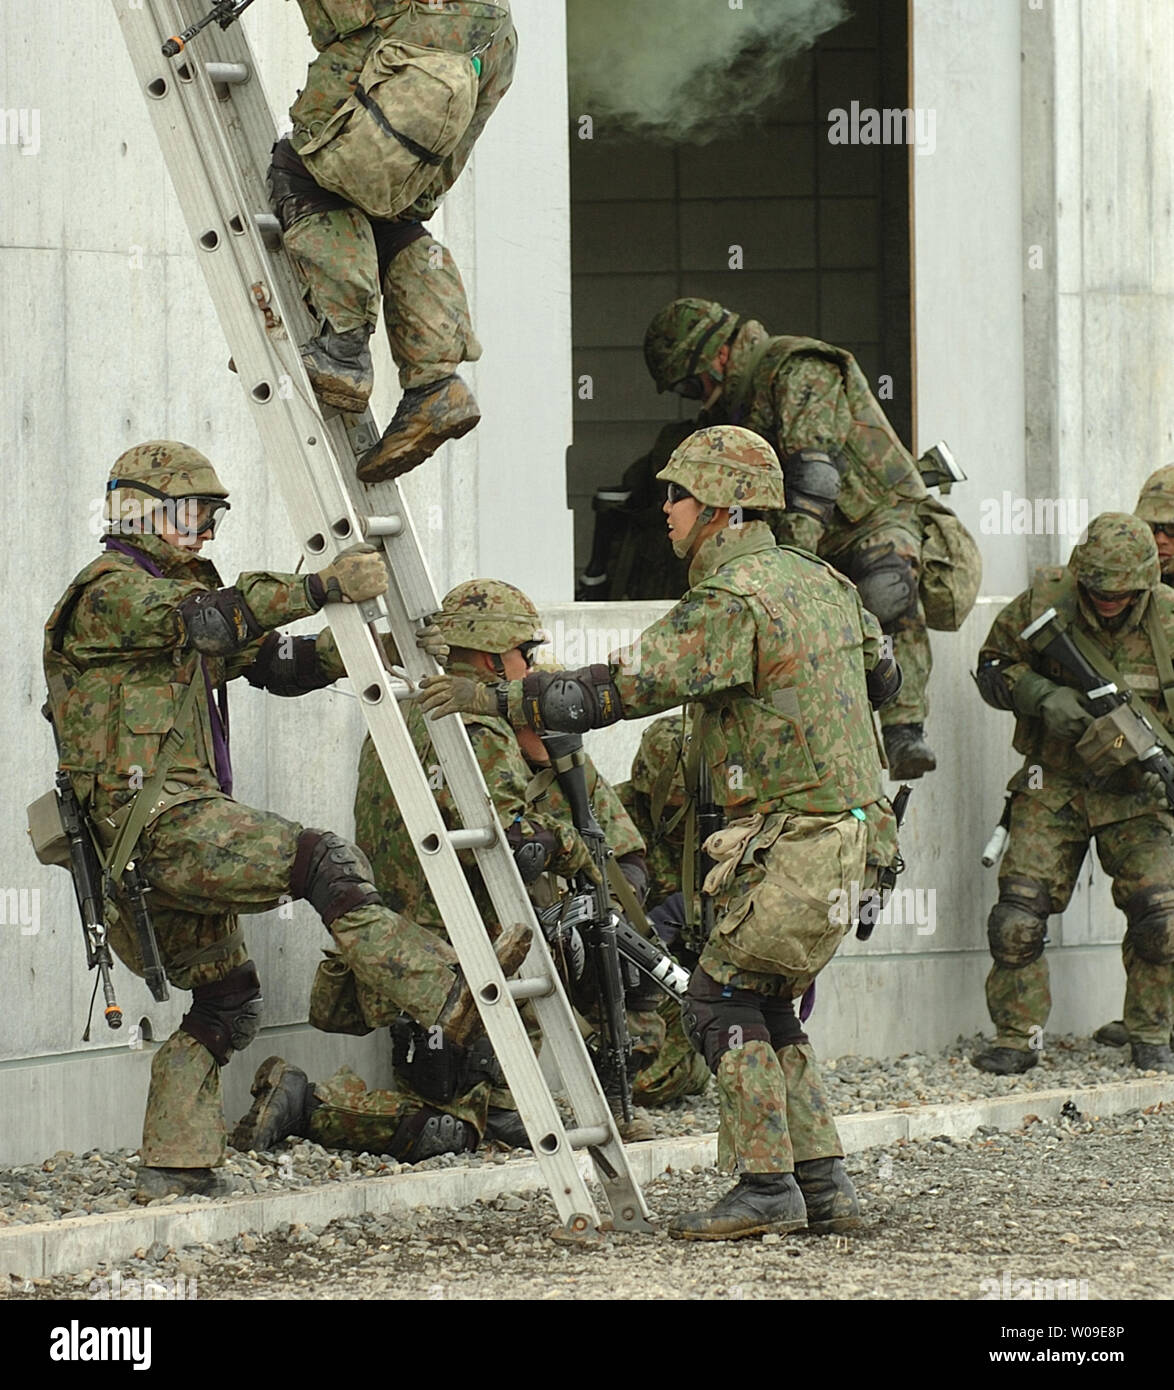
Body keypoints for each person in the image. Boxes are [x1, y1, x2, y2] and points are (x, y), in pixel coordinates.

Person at [418, 425, 903, 1239]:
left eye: (678, 496)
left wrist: (497, 699)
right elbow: (883, 676)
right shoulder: (824, 583)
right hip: (860, 839)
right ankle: (823, 1183)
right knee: (768, 1002)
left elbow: (615, 691)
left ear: (722, 508)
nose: (665, 510)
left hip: (798, 840)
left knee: (718, 1003)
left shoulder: (733, 599)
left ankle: (766, 1187)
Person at [44, 441, 527, 1202]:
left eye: (211, 515)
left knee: (227, 1003)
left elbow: (279, 665)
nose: (205, 530)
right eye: (192, 513)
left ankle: (174, 1164)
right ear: (141, 509)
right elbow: (209, 621)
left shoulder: (171, 604)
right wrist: (322, 585)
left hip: (147, 849)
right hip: (161, 828)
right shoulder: (107, 594)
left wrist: (367, 647)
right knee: (321, 862)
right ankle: (441, 992)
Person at [350, 578, 680, 1143]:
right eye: (526, 654)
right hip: (457, 961)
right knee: (456, 1126)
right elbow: (515, 848)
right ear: (491, 655)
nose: (535, 668)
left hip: (420, 959)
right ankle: (540, 1098)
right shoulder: (473, 728)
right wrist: (572, 854)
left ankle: (575, 1095)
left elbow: (620, 849)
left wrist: (607, 894)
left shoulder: (409, 721)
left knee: (613, 933)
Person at [639, 296, 970, 780]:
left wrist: (788, 564)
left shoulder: (799, 367)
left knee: (887, 586)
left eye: (692, 382)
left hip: (876, 519)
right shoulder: (738, 404)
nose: (695, 394)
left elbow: (816, 478)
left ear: (720, 355)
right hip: (817, 534)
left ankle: (904, 728)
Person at [270, 1, 516, 481]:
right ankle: (436, 384)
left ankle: (342, 350)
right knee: (395, 205)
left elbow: (338, 19)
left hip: (420, 23)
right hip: (490, 41)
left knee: (308, 167)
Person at [972, 513, 1174, 1076]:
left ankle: (1152, 1033)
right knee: (1017, 918)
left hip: (1137, 795)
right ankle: (1018, 1037)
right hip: (1052, 785)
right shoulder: (1045, 603)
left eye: (1121, 592)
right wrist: (1040, 694)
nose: (1108, 600)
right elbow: (991, 667)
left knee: (1162, 919)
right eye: (1098, 590)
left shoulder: (1169, 619)